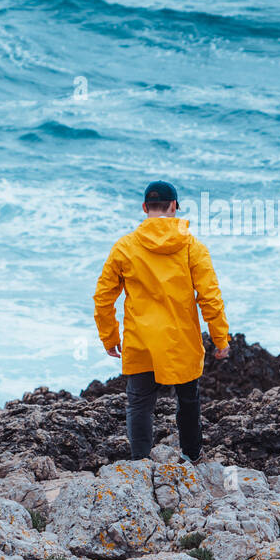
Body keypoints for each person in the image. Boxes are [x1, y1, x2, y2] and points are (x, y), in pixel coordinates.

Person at [93, 180, 230, 462]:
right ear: (174, 207)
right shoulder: (193, 247)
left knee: (139, 404)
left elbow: (103, 296)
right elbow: (209, 297)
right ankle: (192, 456)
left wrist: (109, 337)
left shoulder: (125, 247)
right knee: (188, 401)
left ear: (145, 208)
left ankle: (140, 463)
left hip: (141, 341)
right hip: (181, 341)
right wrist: (220, 339)